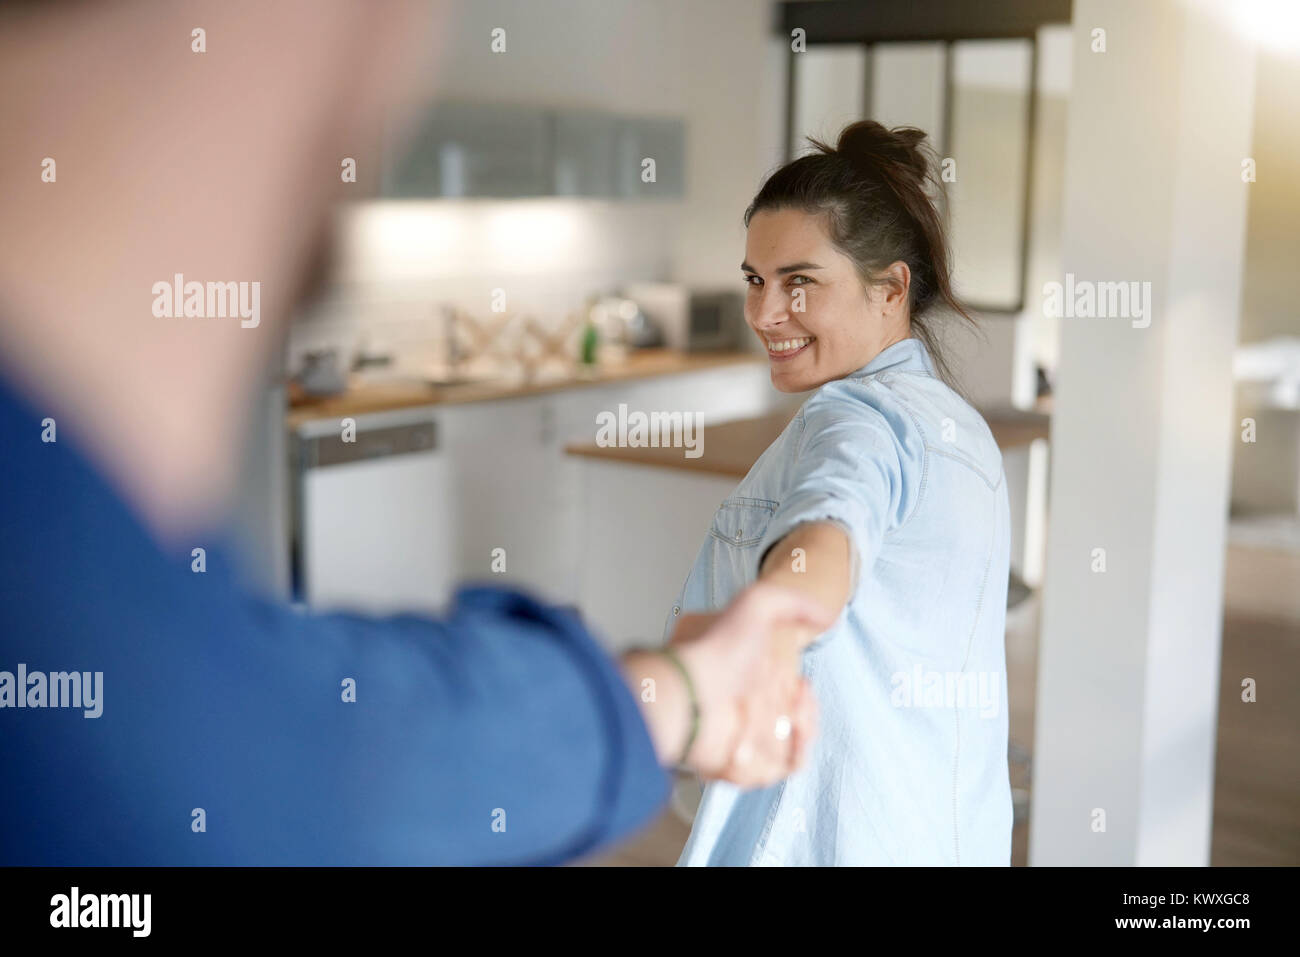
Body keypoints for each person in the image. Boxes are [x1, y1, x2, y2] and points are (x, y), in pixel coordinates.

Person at [0, 0, 831, 866]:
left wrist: (678, 694)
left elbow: (310, 734)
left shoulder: (141, 651)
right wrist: (680, 698)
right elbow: (321, 763)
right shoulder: (135, 708)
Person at [671, 121, 1014, 866]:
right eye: (756, 281)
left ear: (890, 287)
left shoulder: (861, 418)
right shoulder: (957, 425)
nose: (765, 315)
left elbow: (832, 523)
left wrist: (773, 625)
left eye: (800, 283)